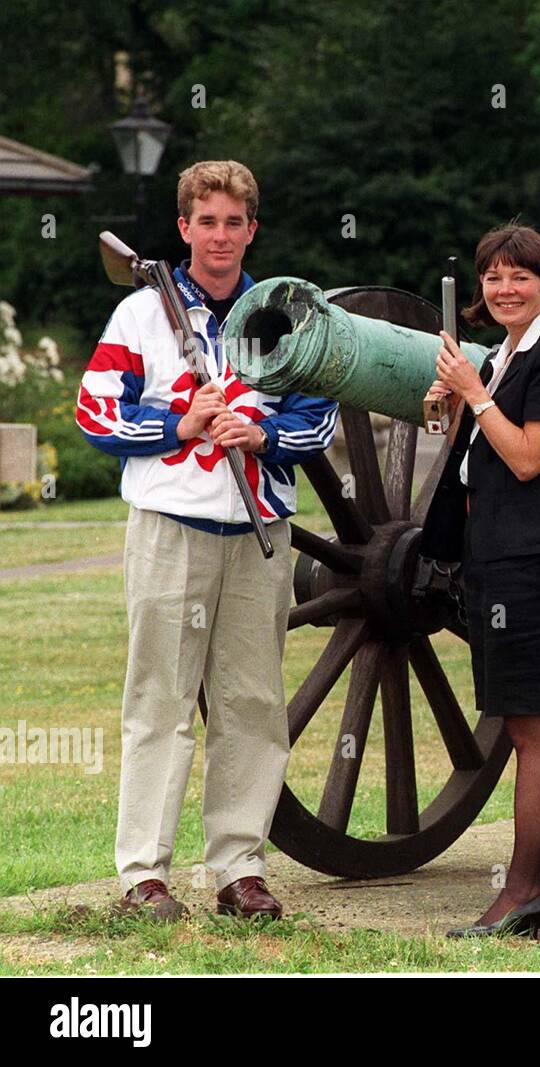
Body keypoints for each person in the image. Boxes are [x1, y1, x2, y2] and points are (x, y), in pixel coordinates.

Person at [77, 160, 338, 921]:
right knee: (160, 698)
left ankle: (239, 867)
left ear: (251, 229)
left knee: (252, 703)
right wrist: (180, 423)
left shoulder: (282, 316)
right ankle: (145, 874)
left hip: (259, 534)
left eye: (234, 222)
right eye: (206, 222)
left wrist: (261, 433)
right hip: (169, 528)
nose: (220, 236)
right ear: (184, 228)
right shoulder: (140, 316)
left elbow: (317, 420)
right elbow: (97, 413)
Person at [421, 225, 540, 938]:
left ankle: (518, 889)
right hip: (497, 556)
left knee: (530, 728)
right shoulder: (500, 357)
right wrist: (454, 402)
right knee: (536, 725)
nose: (504, 288)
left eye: (520, 275)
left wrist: (476, 395)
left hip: (534, 562)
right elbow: (476, 459)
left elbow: (526, 458)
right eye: (493, 277)